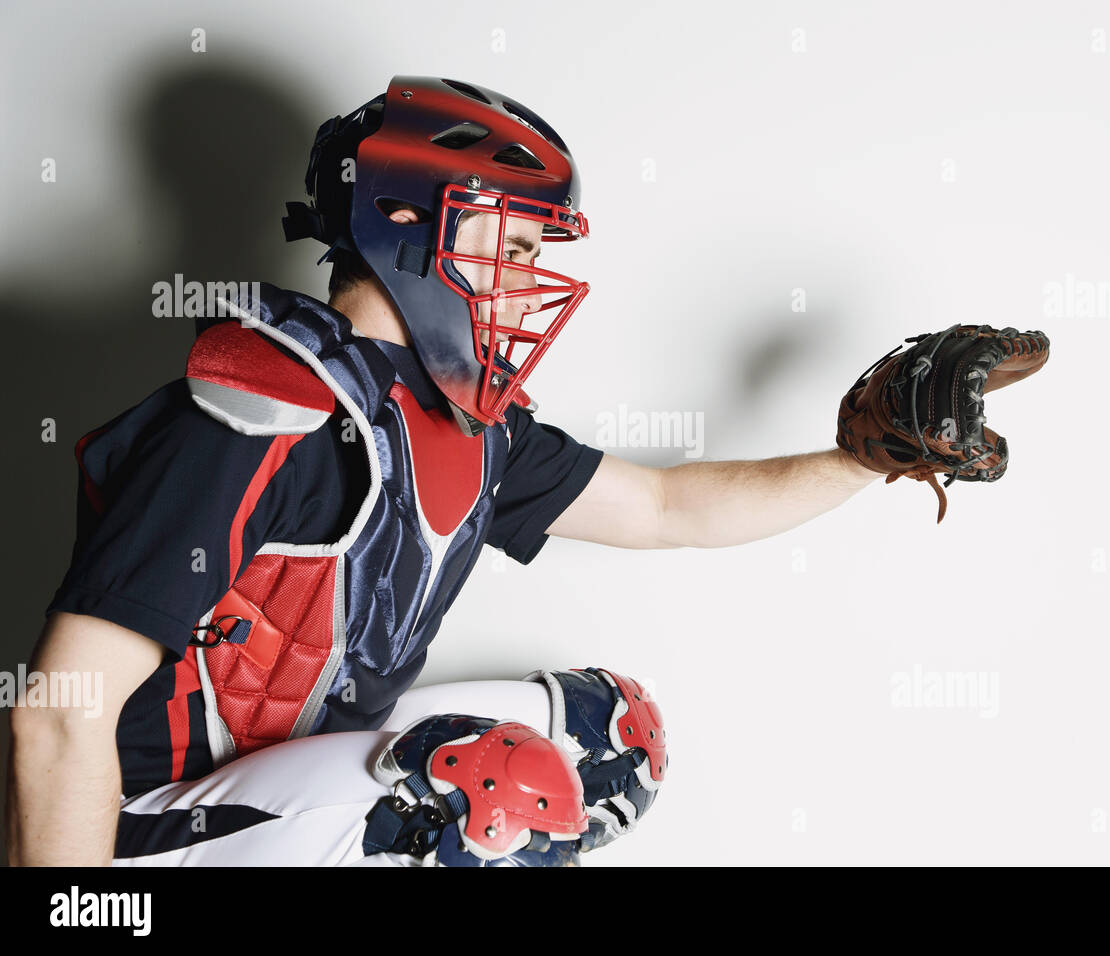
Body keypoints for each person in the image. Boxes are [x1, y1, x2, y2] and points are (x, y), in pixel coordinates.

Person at [5, 75, 897, 866]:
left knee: (609, 739)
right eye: (511, 248)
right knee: (474, 801)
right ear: (405, 222)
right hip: (137, 832)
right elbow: (56, 713)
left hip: (277, 801)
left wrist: (867, 458)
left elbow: (667, 509)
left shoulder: (464, 424)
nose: (524, 280)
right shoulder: (253, 415)